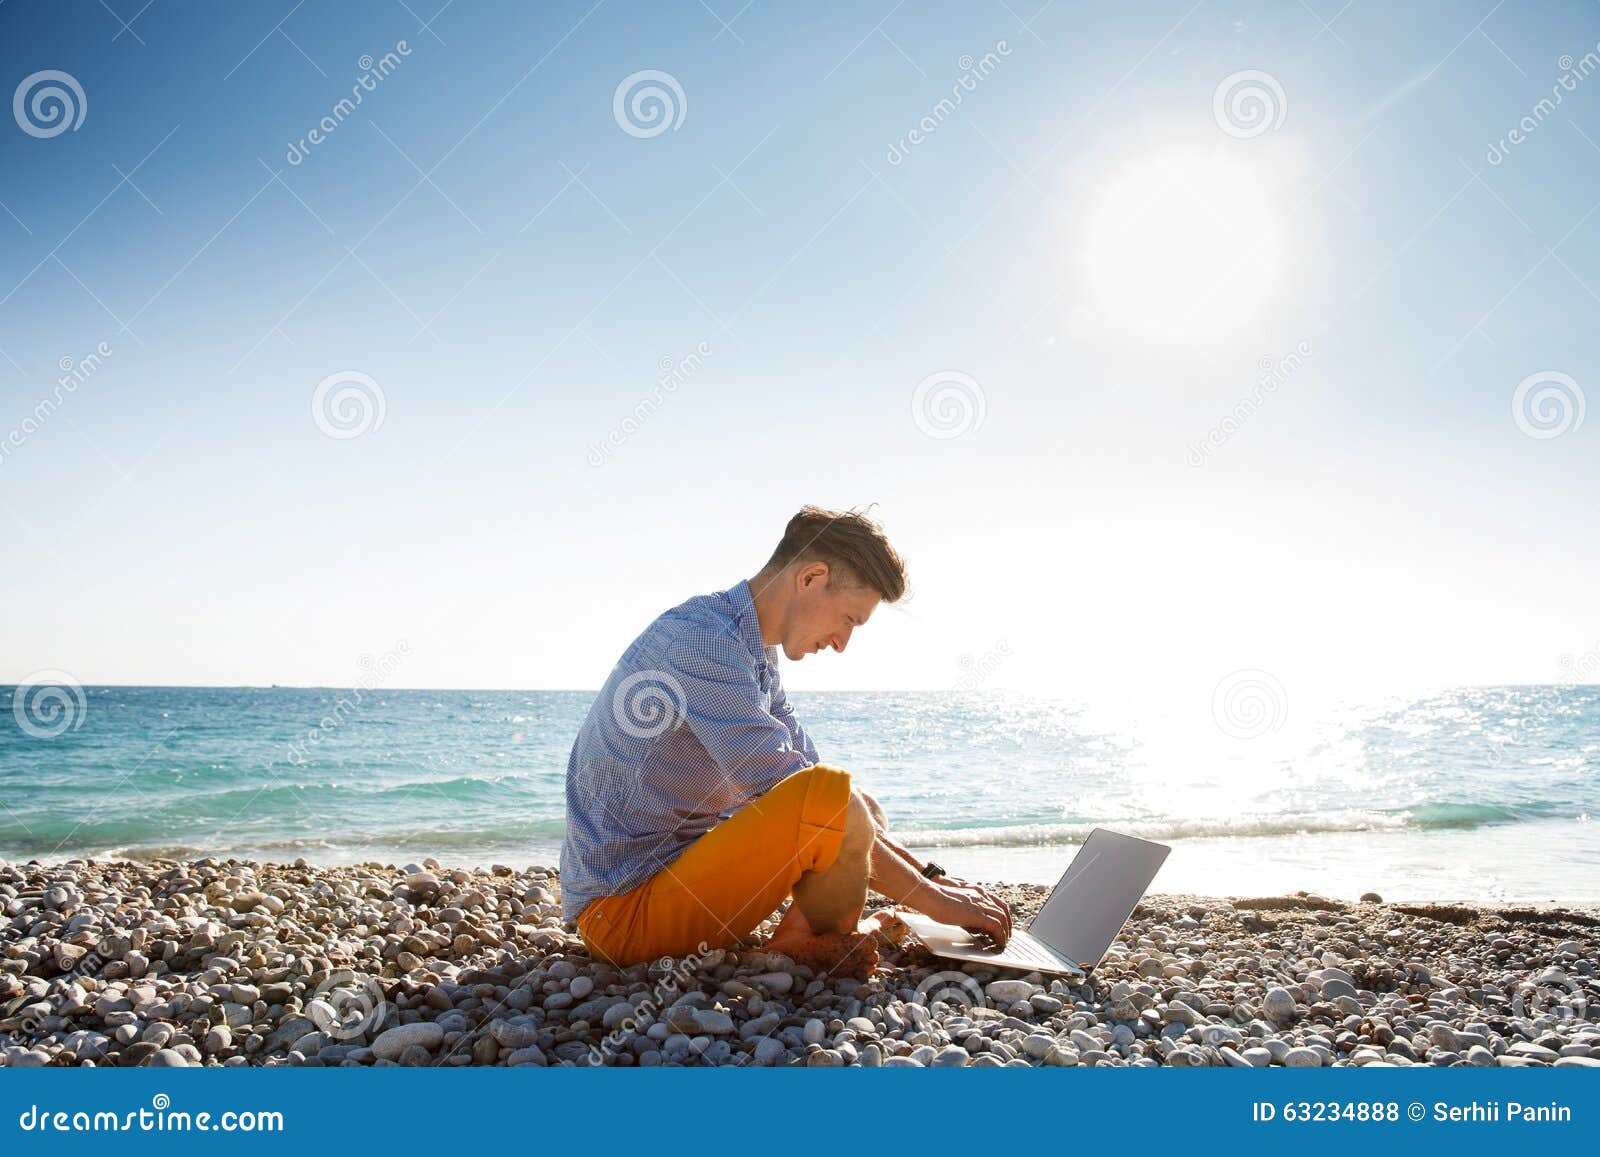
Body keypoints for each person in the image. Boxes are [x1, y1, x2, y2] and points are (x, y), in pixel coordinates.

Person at [559, 504, 1011, 977]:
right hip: (625, 917)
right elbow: (814, 801)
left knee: (861, 804)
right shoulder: (701, 641)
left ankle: (798, 941)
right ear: (811, 577)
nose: (842, 642)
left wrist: (933, 879)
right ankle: (806, 945)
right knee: (837, 803)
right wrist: (937, 902)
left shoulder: (751, 646)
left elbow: (816, 786)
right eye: (849, 620)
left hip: (677, 881)